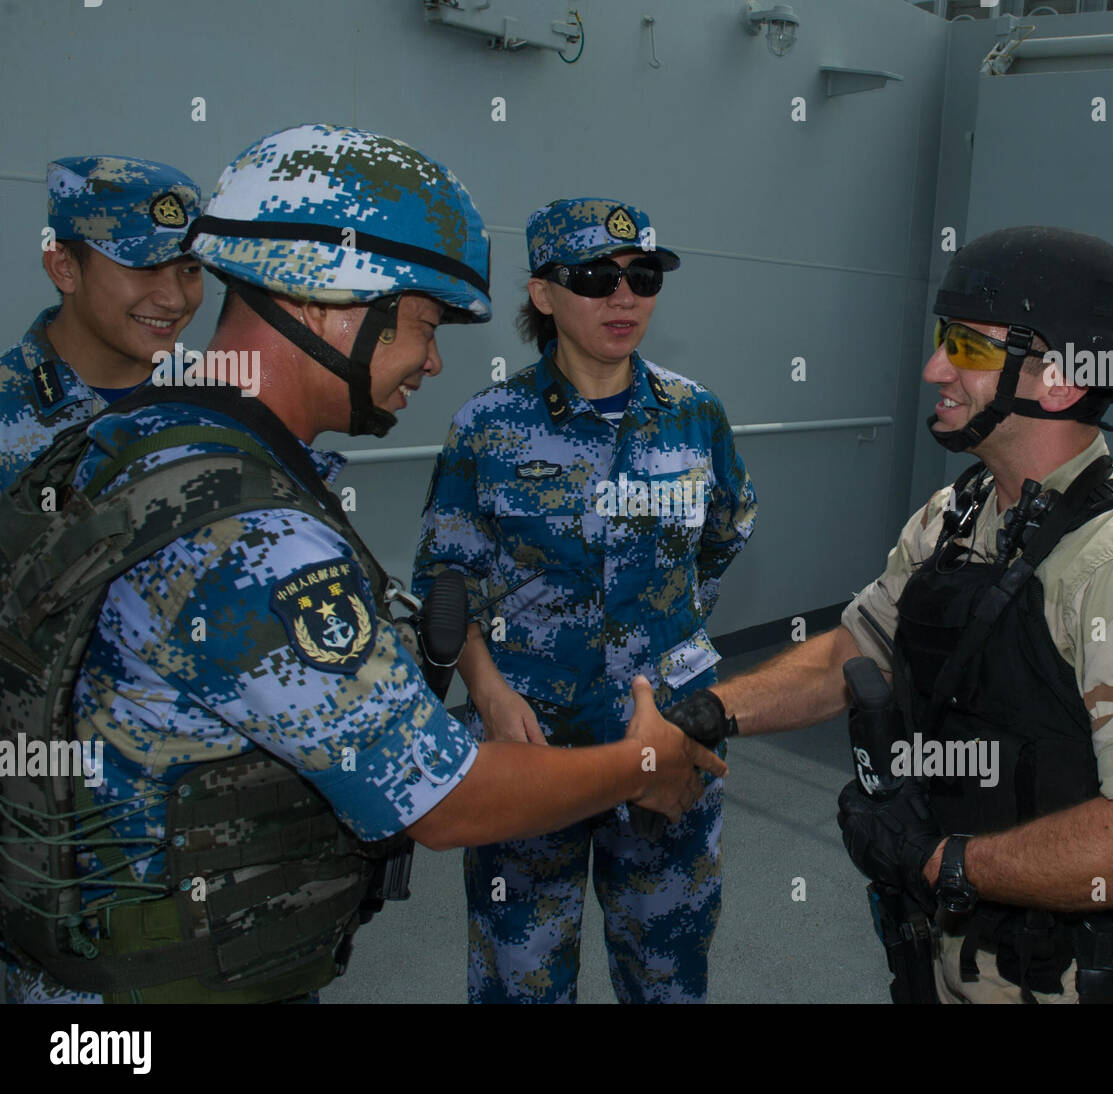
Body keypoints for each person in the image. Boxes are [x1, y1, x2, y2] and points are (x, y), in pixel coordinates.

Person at [0, 128, 722, 1005]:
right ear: (327, 305)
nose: (432, 357)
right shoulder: (250, 532)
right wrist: (644, 765)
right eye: (421, 323)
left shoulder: (139, 437)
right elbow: (445, 799)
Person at [685, 226, 1113, 1003]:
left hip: (1072, 979)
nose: (934, 369)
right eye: (940, 340)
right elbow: (857, 651)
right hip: (949, 952)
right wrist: (710, 713)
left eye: (967, 347)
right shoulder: (958, 515)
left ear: (1056, 381)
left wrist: (941, 863)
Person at [413, 197, 758, 1003]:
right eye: (597, 279)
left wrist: (670, 640)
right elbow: (446, 579)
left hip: (665, 735)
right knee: (520, 970)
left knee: (668, 967)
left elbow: (726, 532)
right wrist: (490, 693)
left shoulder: (694, 415)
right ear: (543, 295)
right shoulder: (488, 426)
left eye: (642, 277)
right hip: (531, 739)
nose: (624, 297)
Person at [0, 155, 204, 491]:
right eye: (144, 268)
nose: (175, 299)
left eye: (190, 269)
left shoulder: (223, 398)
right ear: (64, 267)